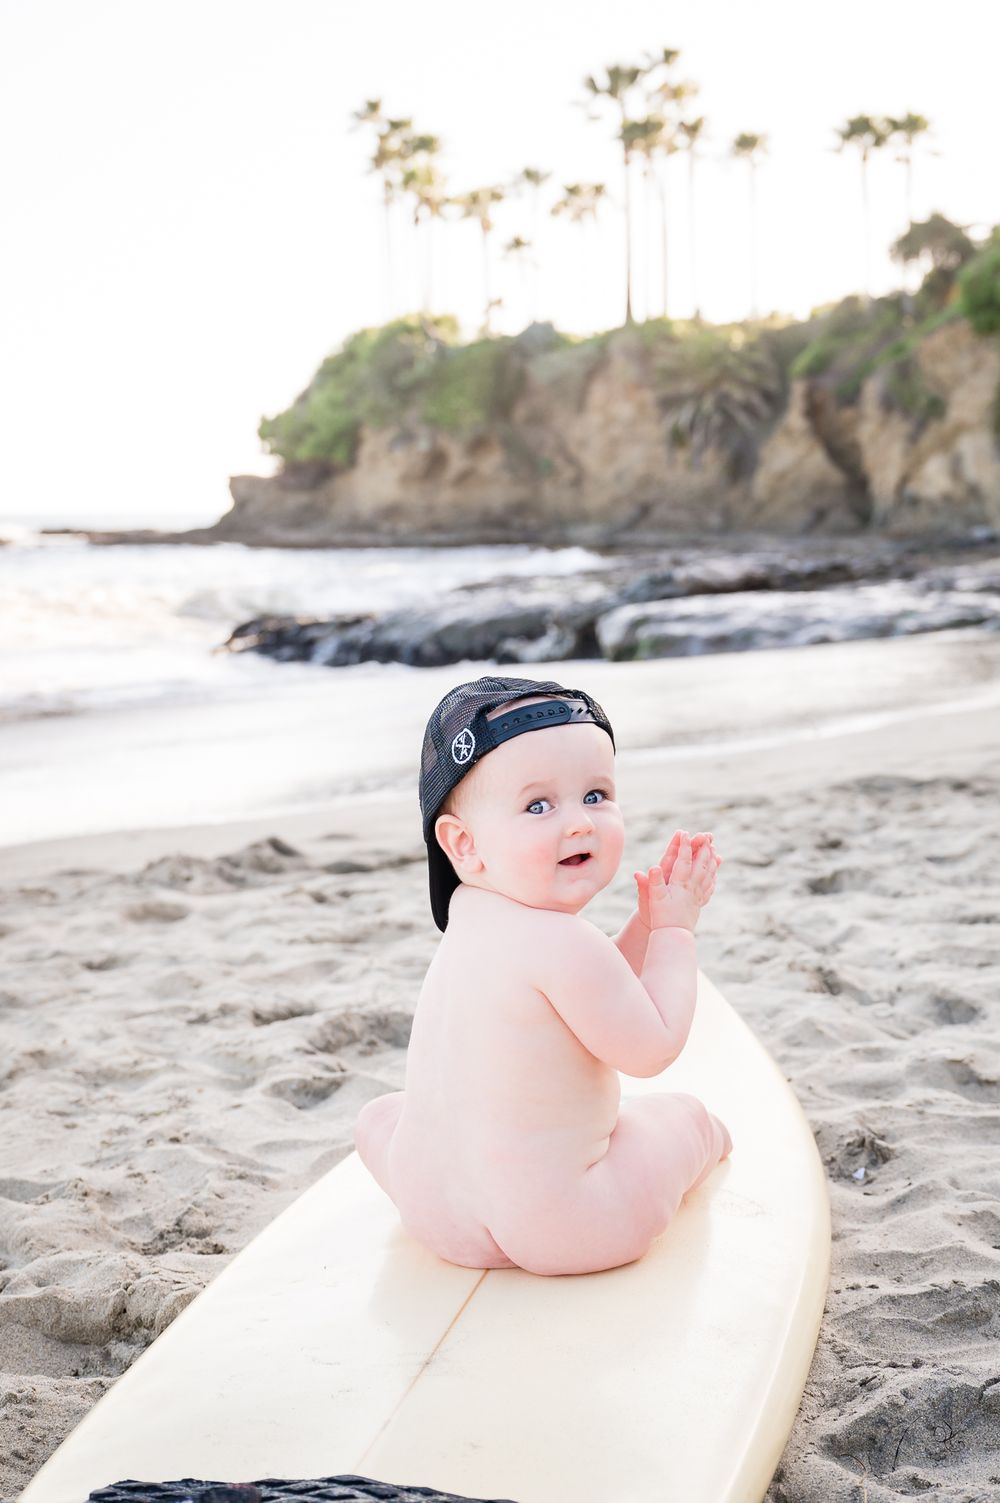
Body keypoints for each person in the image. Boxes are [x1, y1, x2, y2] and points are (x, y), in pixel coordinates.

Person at [353, 674, 732, 1276]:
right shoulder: (562, 942)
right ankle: (709, 1140)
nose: (580, 822)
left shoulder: (468, 918)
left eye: (596, 795)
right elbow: (652, 1046)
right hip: (565, 1227)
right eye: (538, 805)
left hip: (436, 1217)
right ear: (465, 845)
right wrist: (675, 931)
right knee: (682, 1117)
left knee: (379, 1117)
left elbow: (589, 989)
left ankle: (433, 1180)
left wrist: (644, 923)